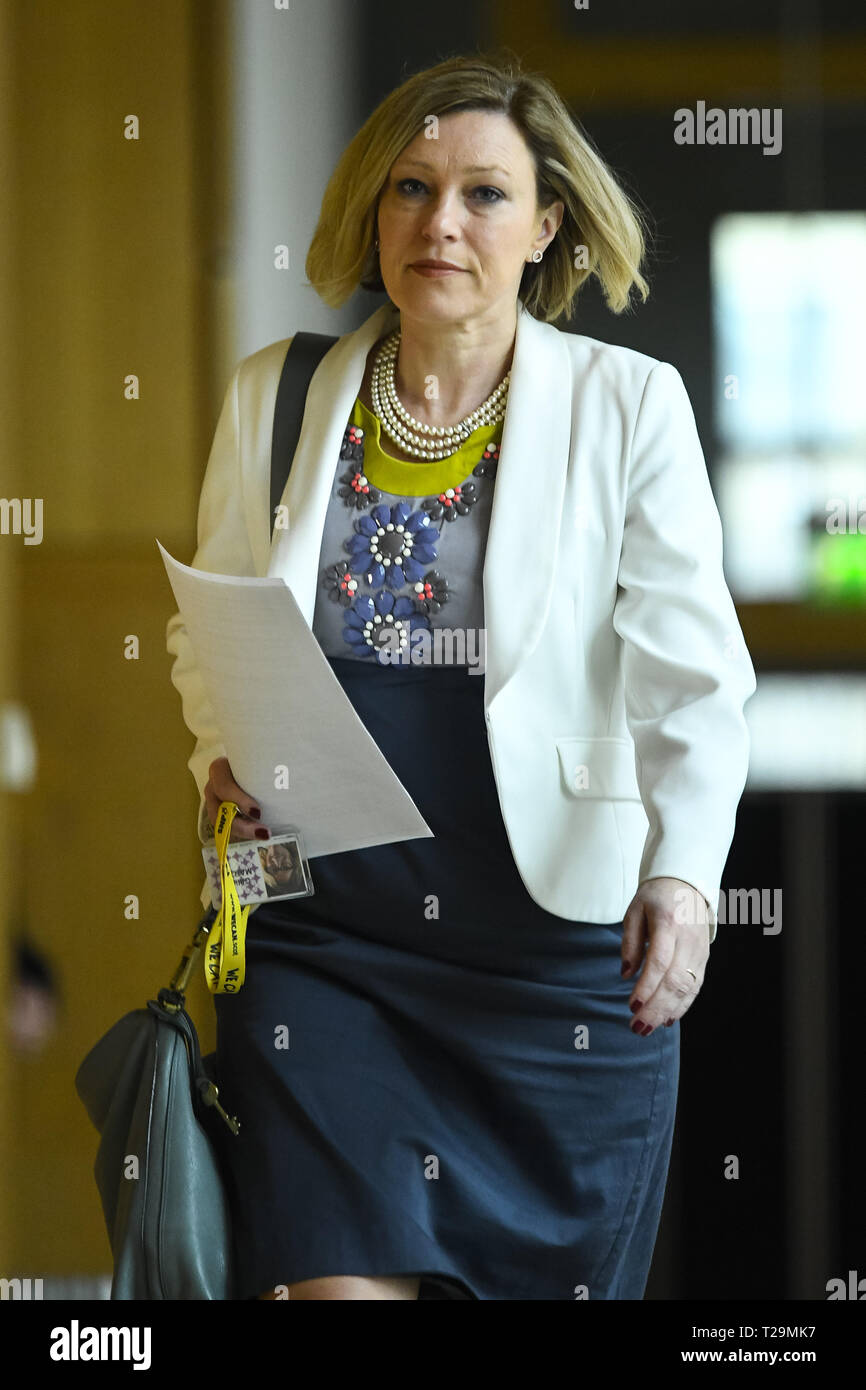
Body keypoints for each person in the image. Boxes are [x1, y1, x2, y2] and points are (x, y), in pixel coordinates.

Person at [165, 50, 756, 1301]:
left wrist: (684, 879)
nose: (440, 222)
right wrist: (220, 757)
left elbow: (693, 680)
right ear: (370, 211)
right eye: (410, 187)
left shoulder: (627, 406)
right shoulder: (271, 400)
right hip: (327, 940)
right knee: (331, 1279)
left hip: (551, 961)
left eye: (483, 194)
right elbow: (207, 632)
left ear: (544, 224)